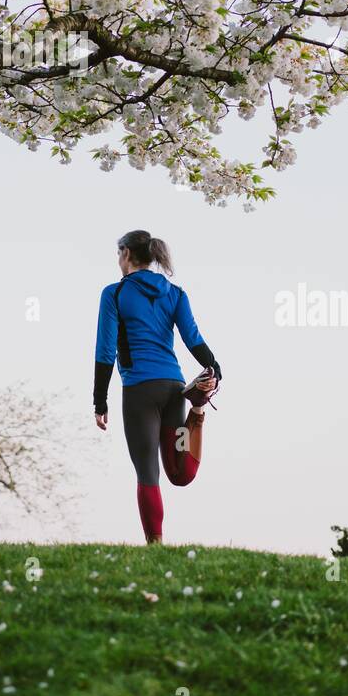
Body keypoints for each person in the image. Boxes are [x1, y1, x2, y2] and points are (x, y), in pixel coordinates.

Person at [93, 229, 222, 544]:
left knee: (148, 474)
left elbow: (105, 351)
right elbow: (193, 337)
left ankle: (156, 546)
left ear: (125, 255)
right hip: (174, 391)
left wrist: (100, 401)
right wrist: (215, 367)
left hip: (141, 395)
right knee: (181, 473)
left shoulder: (114, 294)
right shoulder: (175, 293)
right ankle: (199, 410)